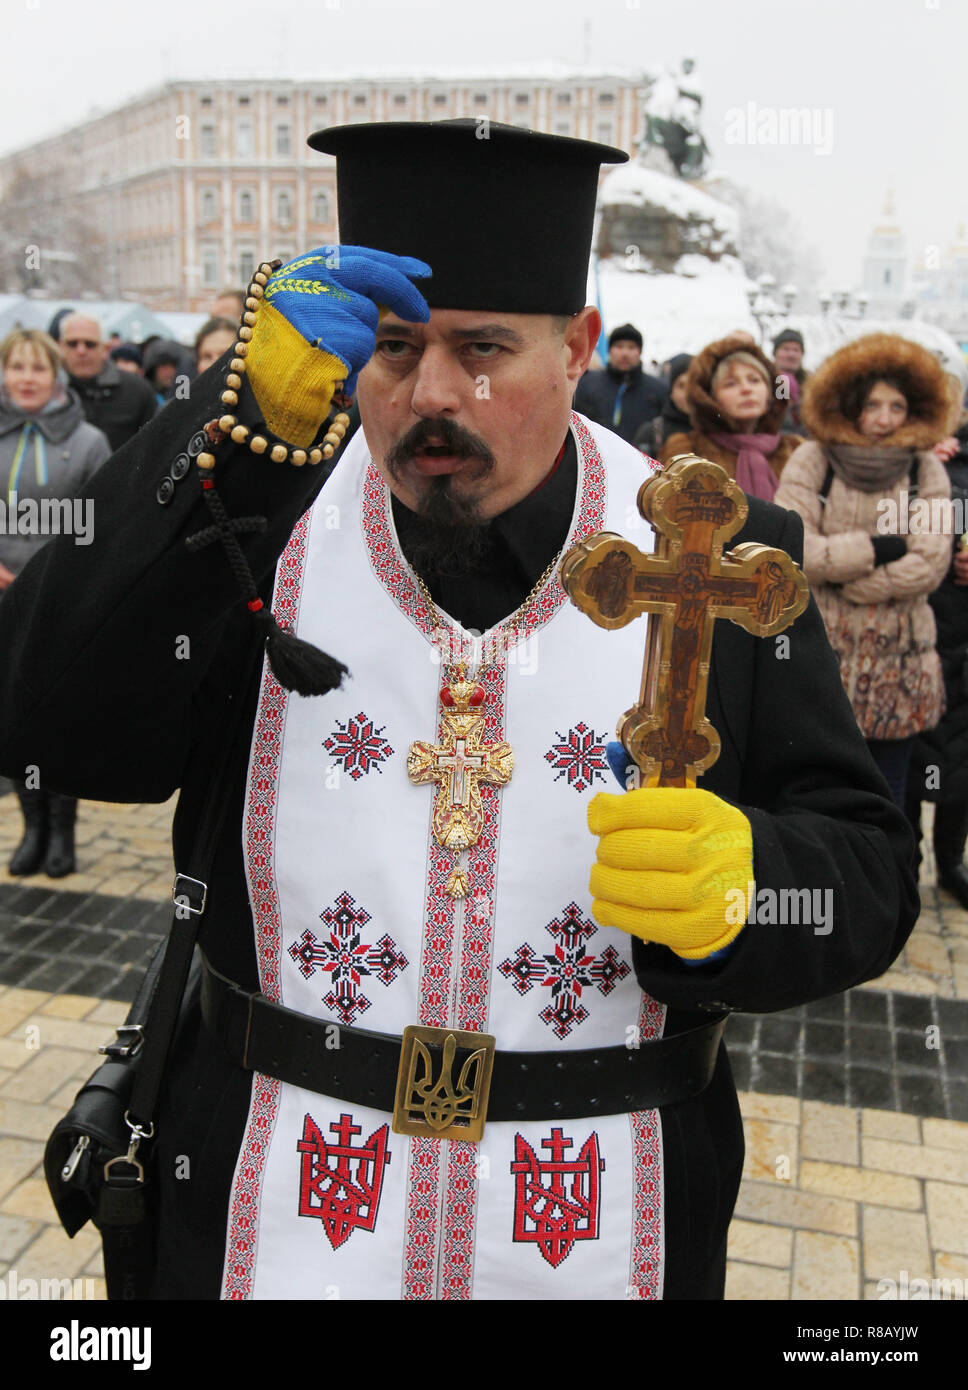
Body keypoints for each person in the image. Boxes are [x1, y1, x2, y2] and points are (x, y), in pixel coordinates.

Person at [0, 122, 916, 1301]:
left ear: (578, 346)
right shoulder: (259, 521)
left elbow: (866, 866)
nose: (430, 394)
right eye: (391, 349)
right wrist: (220, 429)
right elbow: (48, 723)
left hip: (595, 1203)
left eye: (481, 348)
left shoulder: (707, 551)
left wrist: (748, 881)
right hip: (267, 1196)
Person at [774, 334, 953, 807]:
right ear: (850, 405)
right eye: (873, 405)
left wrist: (847, 581)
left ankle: (890, 880)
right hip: (822, 655)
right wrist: (874, 549)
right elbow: (794, 549)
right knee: (823, 795)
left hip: (900, 661)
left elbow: (932, 561)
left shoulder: (924, 469)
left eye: (897, 407)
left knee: (890, 797)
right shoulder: (813, 459)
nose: (884, 419)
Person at [0, 328, 110, 876]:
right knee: (12, 716)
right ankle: (32, 828)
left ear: (55, 374)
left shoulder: (89, 441)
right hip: (1, 595)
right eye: (15, 367)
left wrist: (52, 575)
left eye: (36, 368)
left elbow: (96, 526)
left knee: (59, 718)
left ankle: (62, 831)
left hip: (59, 599)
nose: (25, 378)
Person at [906, 361, 968, 903]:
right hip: (908, 626)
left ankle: (951, 858)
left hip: (961, 629)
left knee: (959, 756)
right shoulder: (896, 464)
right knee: (906, 755)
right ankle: (906, 860)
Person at [659, 333, 804, 500]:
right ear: (709, 397)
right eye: (731, 383)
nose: (746, 389)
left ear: (769, 390)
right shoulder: (688, 452)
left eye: (754, 380)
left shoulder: (794, 451)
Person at [59, 313, 157, 451]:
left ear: (104, 349)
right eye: (72, 344)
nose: (81, 351)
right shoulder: (48, 390)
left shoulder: (137, 391)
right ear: (61, 347)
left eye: (90, 344)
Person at [573, 323, 667, 444]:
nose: (625, 353)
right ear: (610, 350)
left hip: (641, 459)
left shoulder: (658, 390)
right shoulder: (587, 384)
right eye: (619, 346)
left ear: (639, 352)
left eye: (631, 347)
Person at [633, 352, 692, 458]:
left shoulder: (717, 433)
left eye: (694, 385)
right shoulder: (651, 432)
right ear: (671, 390)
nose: (687, 394)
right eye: (681, 386)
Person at [773, 329, 808, 434]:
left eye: (796, 350)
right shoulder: (763, 382)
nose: (791, 355)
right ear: (775, 354)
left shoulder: (813, 385)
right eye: (785, 349)